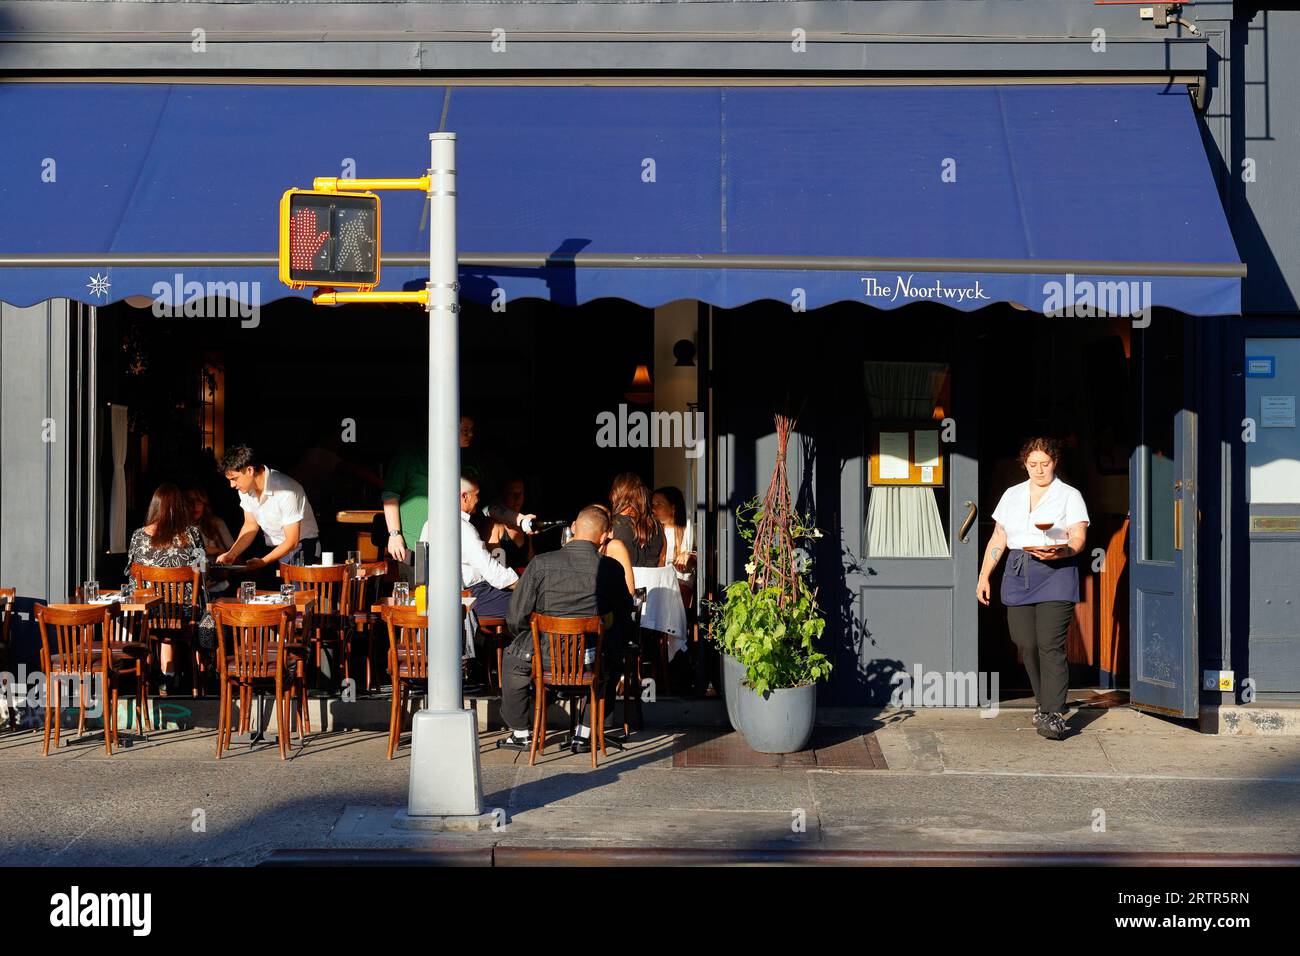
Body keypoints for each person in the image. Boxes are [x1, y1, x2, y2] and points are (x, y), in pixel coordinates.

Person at [495, 505, 633, 755]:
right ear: (604, 537)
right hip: (589, 658)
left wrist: (532, 640)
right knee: (610, 661)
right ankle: (585, 734)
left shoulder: (540, 563)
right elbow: (624, 615)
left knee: (513, 659)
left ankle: (522, 734)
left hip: (543, 657)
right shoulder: (611, 569)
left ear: (572, 529)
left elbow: (515, 617)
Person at [977, 436, 1090, 741]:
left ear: (1055, 462)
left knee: (1050, 644)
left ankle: (1053, 713)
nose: (1039, 470)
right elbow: (999, 537)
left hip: (1056, 571)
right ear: (1024, 464)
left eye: (1045, 463)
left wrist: (1064, 551)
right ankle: (1043, 701)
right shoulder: (1012, 495)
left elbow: (1078, 536)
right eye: (1033, 464)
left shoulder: (1069, 495)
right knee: (1025, 642)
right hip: (1018, 571)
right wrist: (984, 575)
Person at [123, 483, 205, 695]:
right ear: (180, 507)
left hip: (149, 614)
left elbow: (131, 577)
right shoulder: (193, 534)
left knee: (148, 619)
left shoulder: (138, 536)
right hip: (185, 614)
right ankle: (192, 674)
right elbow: (202, 573)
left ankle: (154, 675)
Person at [214, 444, 321, 570]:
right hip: (278, 549)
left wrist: (263, 561)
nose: (232, 485)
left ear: (249, 470)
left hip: (303, 547)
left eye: (234, 479)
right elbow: (250, 525)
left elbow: (292, 541)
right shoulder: (245, 490)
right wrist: (231, 554)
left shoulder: (286, 490)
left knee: (296, 589)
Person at [485, 477, 535, 571]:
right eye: (512, 493)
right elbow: (498, 568)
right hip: (505, 583)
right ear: (503, 495)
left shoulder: (525, 525)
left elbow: (531, 561)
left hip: (525, 581)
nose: (518, 498)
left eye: (521, 493)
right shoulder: (494, 525)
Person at [186, 487, 233, 558]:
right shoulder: (179, 527)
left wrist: (219, 551)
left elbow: (232, 552)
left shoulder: (216, 523)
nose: (195, 506)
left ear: (204, 503)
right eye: (190, 501)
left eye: (199, 501)